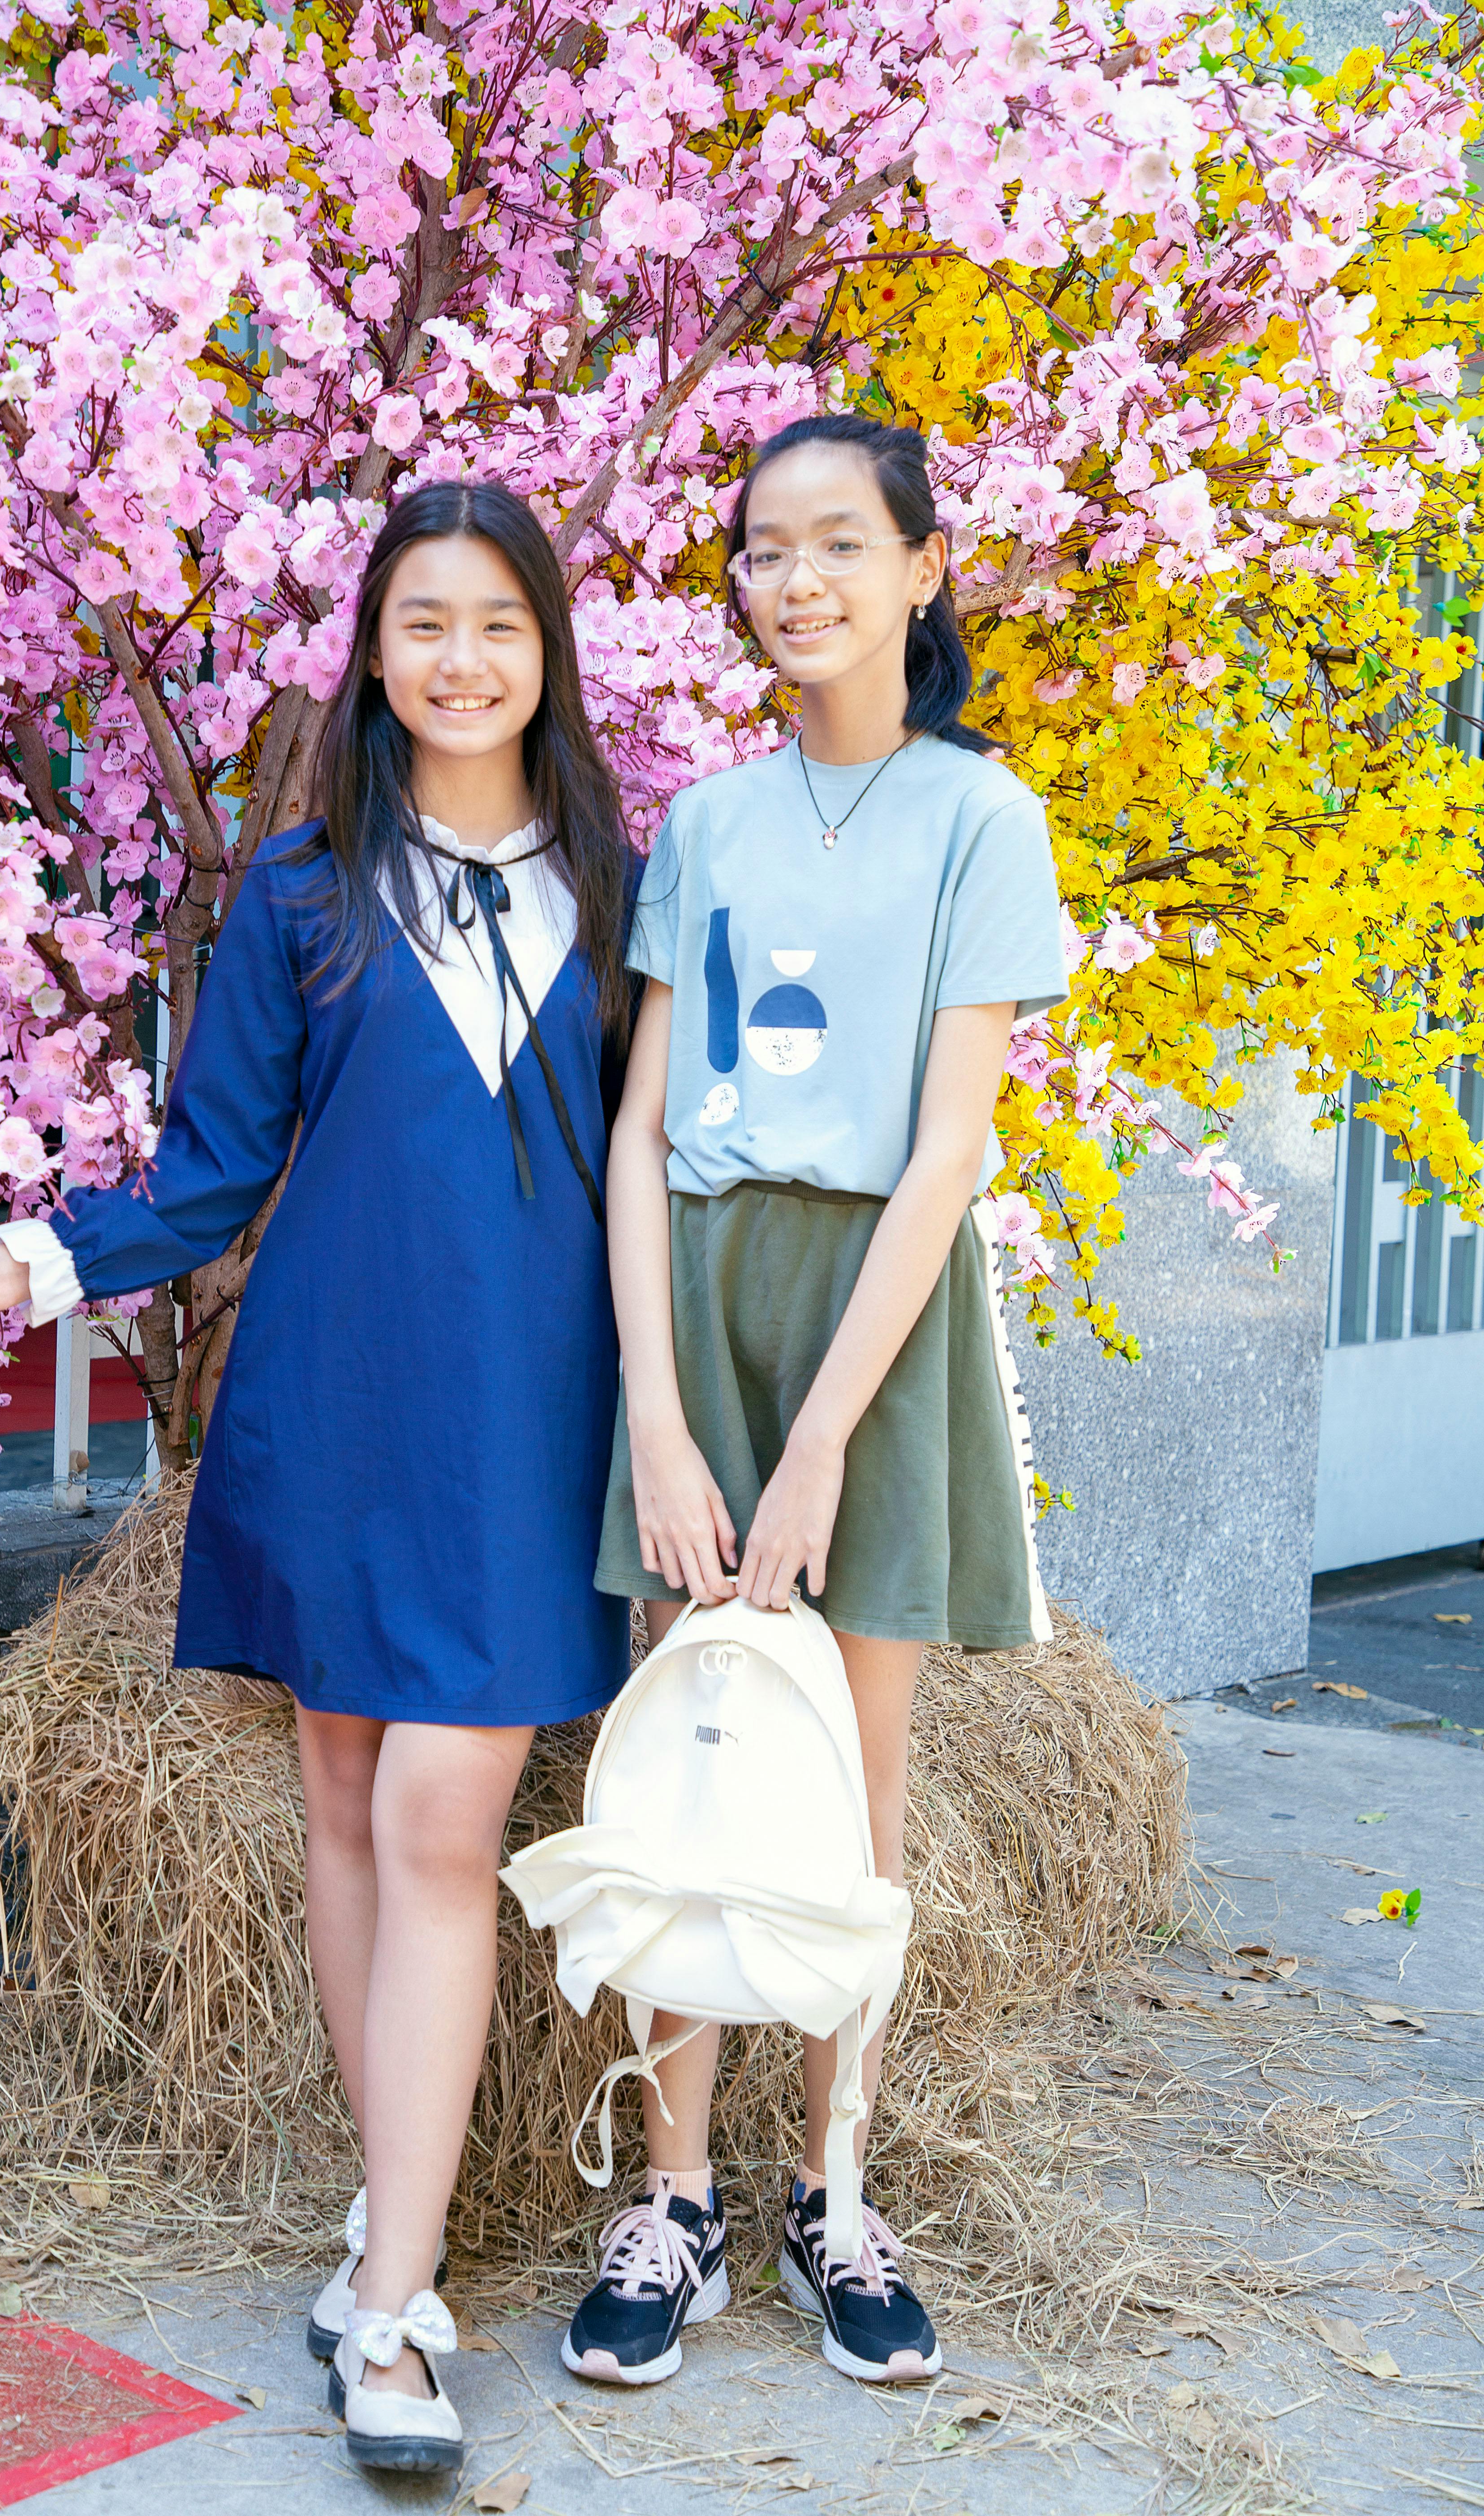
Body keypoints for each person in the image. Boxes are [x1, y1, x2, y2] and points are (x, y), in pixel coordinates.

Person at [0, 481, 636, 2476]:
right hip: (338, 1407)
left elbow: (676, 1179)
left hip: (531, 1433)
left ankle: (392, 2310)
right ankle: (387, 2243)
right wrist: (28, 1264)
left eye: (498, 622)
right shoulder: (306, 892)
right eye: (422, 622)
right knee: (349, 1816)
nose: (461, 658)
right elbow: (213, 1171)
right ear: (371, 654)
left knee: (445, 1819)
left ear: (548, 651)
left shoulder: (624, 892)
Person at [565, 413, 1068, 2391]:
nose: (798, 581)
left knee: (854, 1783)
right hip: (704, 1298)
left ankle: (833, 2192)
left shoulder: (981, 819)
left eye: (842, 542)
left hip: (879, 1316)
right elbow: (640, 1128)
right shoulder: (705, 822)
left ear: (924, 566)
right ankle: (675, 2198)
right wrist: (664, 1413)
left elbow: (948, 1151)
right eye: (766, 548)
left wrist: (826, 1443)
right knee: (696, 1742)